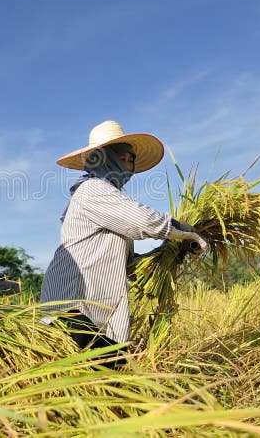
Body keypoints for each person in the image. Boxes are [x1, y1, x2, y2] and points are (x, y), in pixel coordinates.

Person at [41, 120, 207, 366]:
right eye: (124, 159)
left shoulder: (111, 199)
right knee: (112, 377)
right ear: (104, 158)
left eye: (132, 161)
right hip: (71, 310)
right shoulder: (93, 190)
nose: (129, 167)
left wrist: (169, 253)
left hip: (94, 314)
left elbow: (127, 265)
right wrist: (188, 231)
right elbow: (146, 221)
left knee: (107, 381)